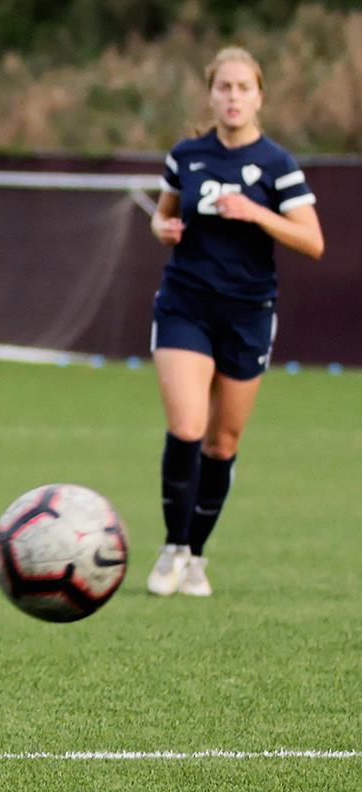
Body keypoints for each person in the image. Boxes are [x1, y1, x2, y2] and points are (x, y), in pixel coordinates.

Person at [145, 47, 323, 597]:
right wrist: (162, 230)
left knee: (222, 443)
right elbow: (163, 213)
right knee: (187, 427)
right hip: (186, 304)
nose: (233, 97)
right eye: (224, 87)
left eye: (244, 88)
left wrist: (258, 213)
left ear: (259, 96)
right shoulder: (188, 155)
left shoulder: (277, 165)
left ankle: (197, 554)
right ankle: (173, 549)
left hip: (247, 313)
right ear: (211, 93)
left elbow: (312, 242)